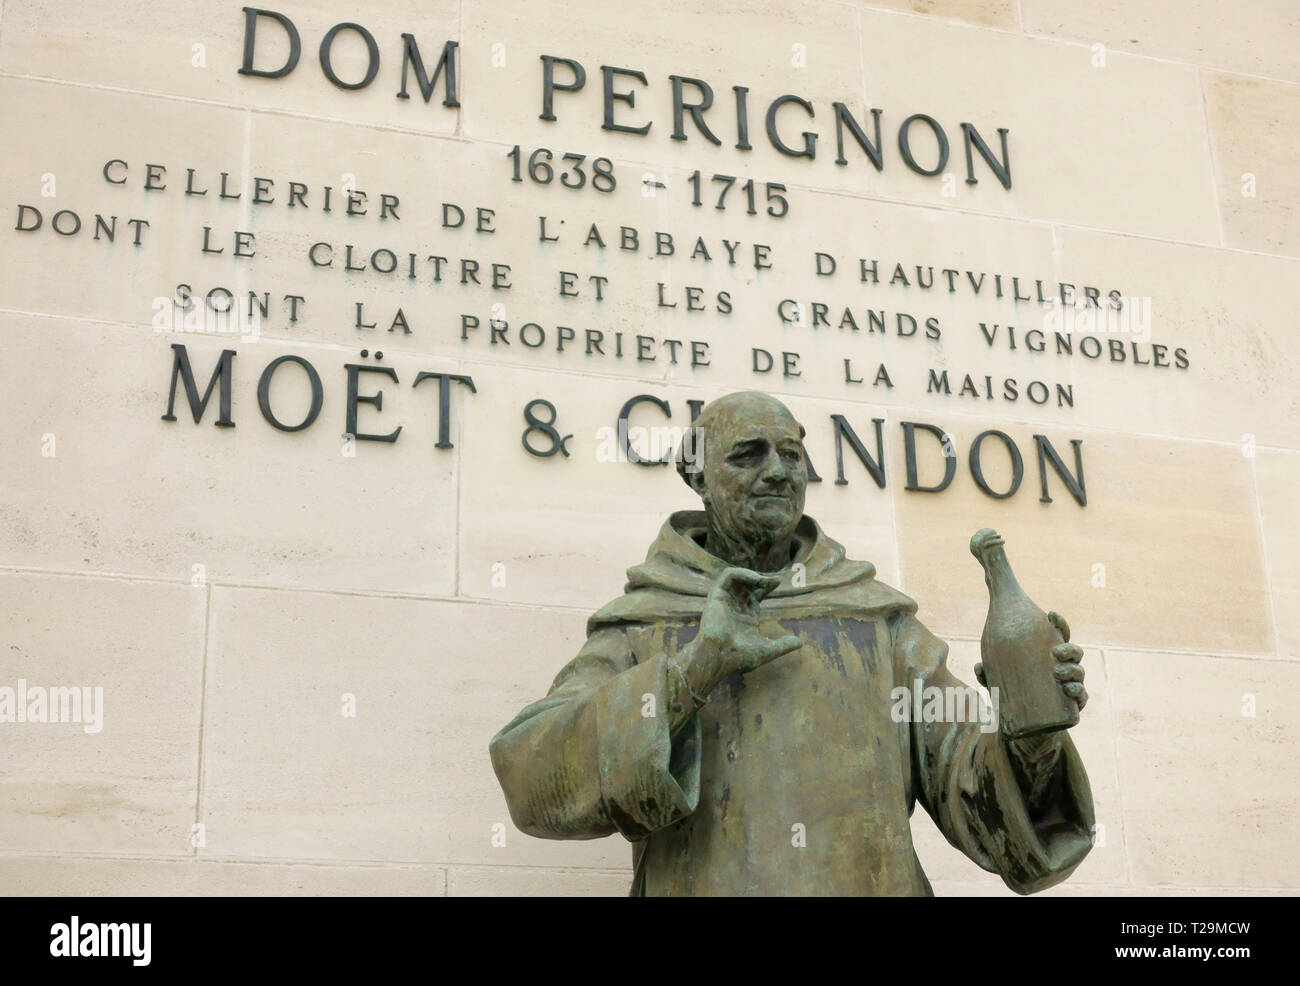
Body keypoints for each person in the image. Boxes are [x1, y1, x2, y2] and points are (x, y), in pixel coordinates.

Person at [489, 391, 1094, 896]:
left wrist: (1032, 738)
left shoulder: (876, 622)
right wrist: (691, 673)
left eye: (791, 454)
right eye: (748, 455)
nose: (776, 471)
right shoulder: (647, 623)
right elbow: (532, 778)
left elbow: (976, 791)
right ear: (696, 476)